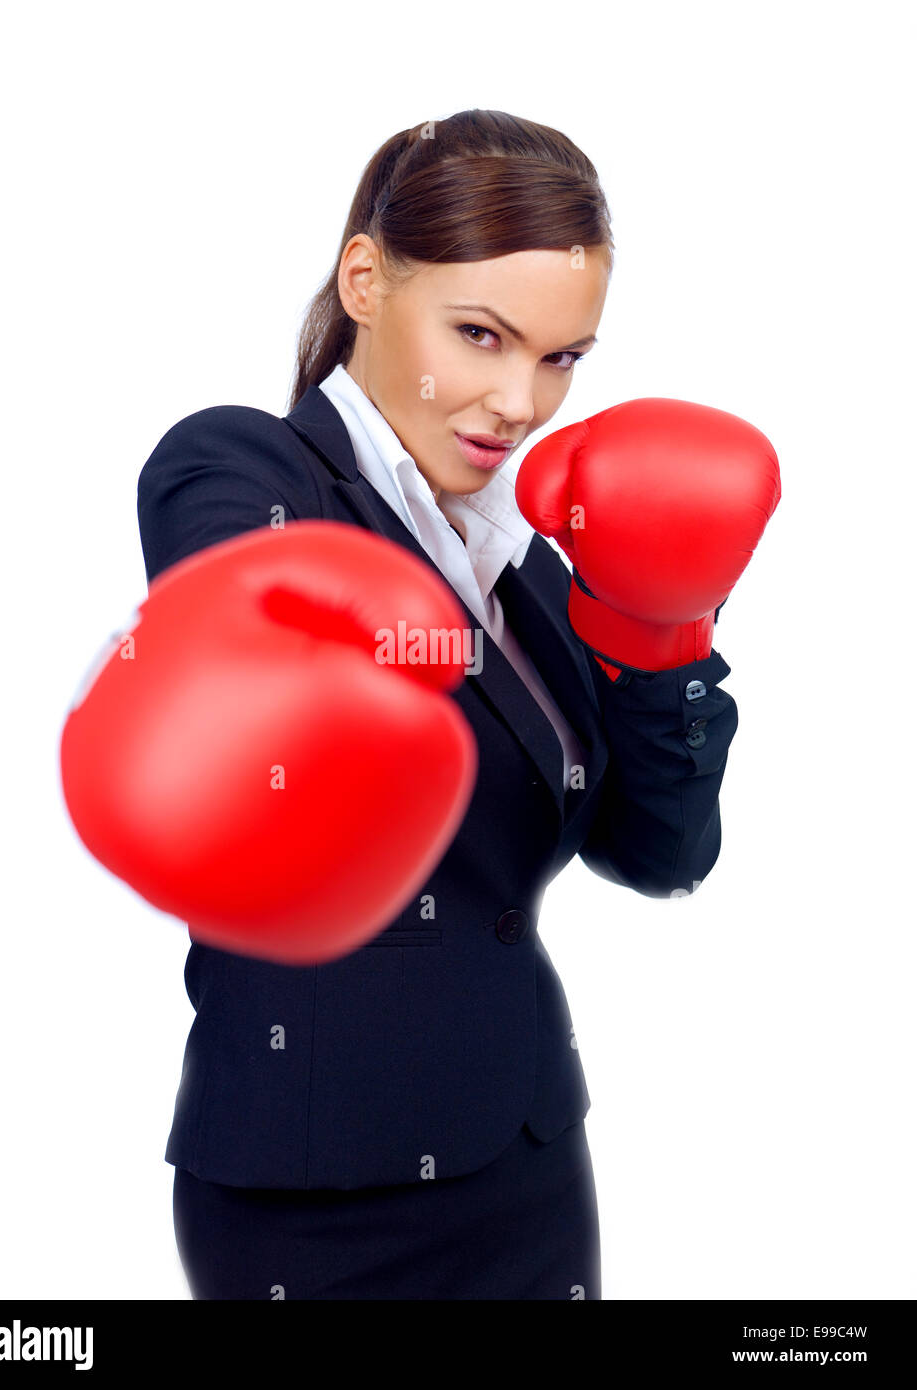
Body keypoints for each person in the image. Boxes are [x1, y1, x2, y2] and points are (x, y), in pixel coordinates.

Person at [136, 109, 746, 1300]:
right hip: (319, 1199)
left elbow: (664, 853)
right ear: (365, 280)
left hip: (527, 1163)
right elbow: (288, 680)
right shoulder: (239, 467)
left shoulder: (539, 567)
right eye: (480, 334)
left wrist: (664, 637)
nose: (520, 401)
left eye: (563, 357)